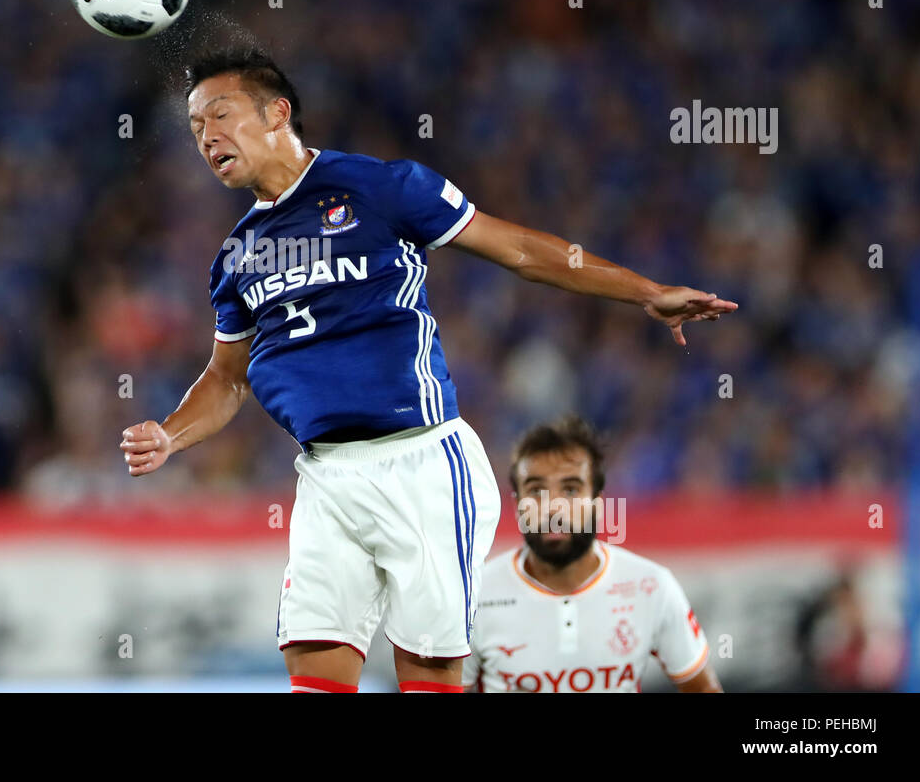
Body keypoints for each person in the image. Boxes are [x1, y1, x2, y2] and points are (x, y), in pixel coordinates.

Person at [120, 48, 736, 693]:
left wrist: (644, 292)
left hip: (422, 464)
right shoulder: (236, 256)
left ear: (277, 113)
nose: (207, 137)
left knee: (429, 678)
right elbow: (226, 378)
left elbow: (520, 249)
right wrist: (170, 434)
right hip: (326, 476)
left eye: (220, 115)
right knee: (314, 671)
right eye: (195, 128)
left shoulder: (382, 188)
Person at [464, 415, 722, 692]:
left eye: (571, 489)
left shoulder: (650, 586)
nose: (553, 508)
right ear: (517, 506)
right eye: (536, 490)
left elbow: (704, 688)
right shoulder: (475, 596)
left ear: (598, 504)